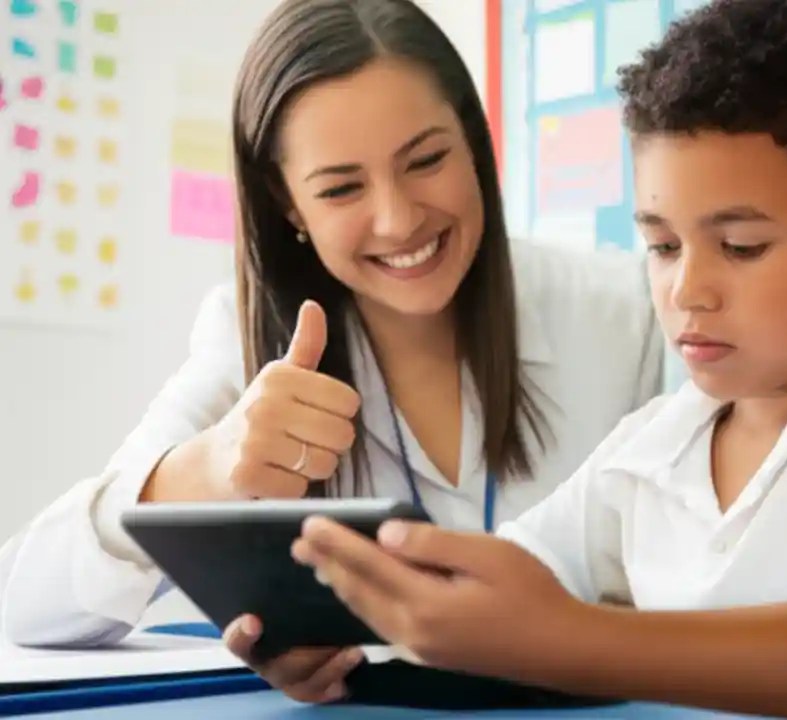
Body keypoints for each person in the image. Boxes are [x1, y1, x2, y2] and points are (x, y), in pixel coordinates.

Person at [287, 0, 787, 717]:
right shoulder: (649, 447)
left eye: (741, 247)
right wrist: (331, 627)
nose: (688, 290)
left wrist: (573, 639)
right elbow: (486, 595)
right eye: (662, 246)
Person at [0, 0, 661, 706]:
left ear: (473, 144)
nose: (399, 218)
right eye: (342, 187)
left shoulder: (624, 309)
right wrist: (205, 470)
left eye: (427, 159)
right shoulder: (246, 338)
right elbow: (25, 604)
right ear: (288, 207)